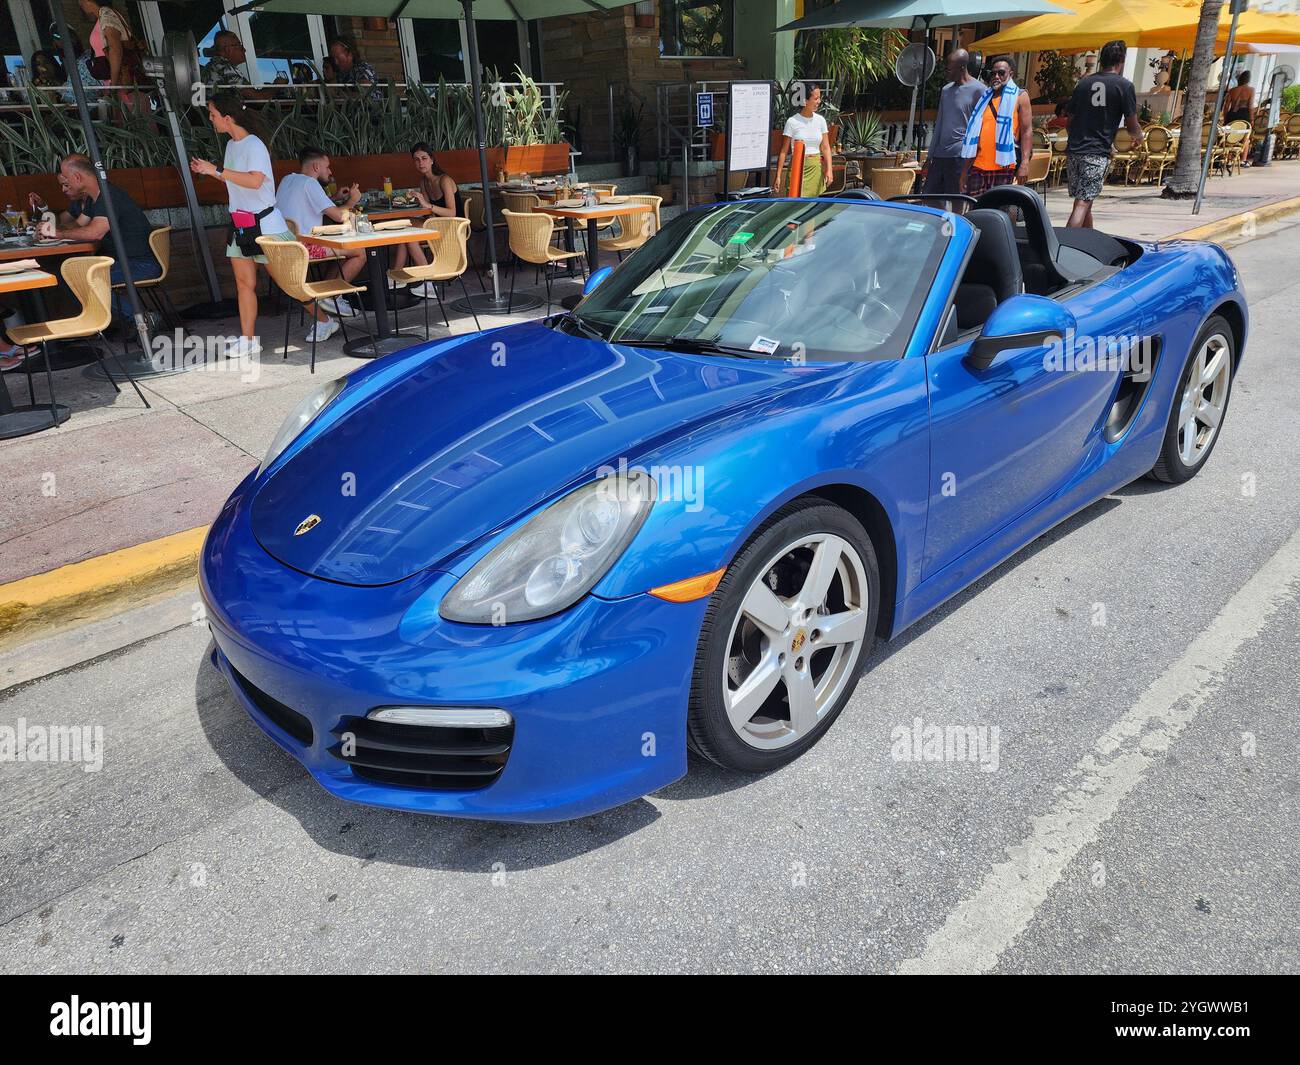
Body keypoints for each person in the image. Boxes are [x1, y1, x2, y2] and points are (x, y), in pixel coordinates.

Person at [188, 92, 318, 357]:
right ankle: (248, 340)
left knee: (289, 282)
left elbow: (255, 181)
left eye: (212, 114)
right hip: (241, 223)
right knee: (244, 283)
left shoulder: (254, 144)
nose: (210, 119)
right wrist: (210, 171)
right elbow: (235, 179)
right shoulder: (231, 146)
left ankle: (326, 320)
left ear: (227, 117)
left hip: (266, 223)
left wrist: (216, 171)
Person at [46, 154, 161, 326]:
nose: (65, 186)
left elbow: (95, 233)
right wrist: (51, 225)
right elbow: (78, 226)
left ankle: (141, 319)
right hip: (124, 261)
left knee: (77, 278)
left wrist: (58, 234)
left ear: (77, 177)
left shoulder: (108, 197)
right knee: (67, 272)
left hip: (141, 263)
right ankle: (98, 324)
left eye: (67, 180)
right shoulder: (96, 197)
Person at [276, 146, 365, 316]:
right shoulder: (310, 183)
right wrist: (352, 201)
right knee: (359, 252)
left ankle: (328, 296)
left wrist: (334, 199)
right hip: (303, 248)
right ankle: (331, 297)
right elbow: (339, 216)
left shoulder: (288, 179)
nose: (330, 171)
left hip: (284, 246)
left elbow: (309, 203)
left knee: (339, 252)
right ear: (316, 167)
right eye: (327, 166)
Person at [1064, 39, 1142, 229]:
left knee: (1085, 200)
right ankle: (1065, 246)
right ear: (1121, 61)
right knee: (1082, 203)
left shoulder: (1083, 84)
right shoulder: (1124, 86)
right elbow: (1132, 124)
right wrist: (1139, 136)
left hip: (1075, 150)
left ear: (1101, 59)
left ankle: (1090, 241)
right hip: (1097, 152)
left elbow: (1069, 121)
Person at [961, 54, 1034, 197]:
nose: (996, 76)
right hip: (978, 166)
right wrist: (964, 172)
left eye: (1001, 73)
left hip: (1004, 166)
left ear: (1010, 74)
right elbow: (975, 135)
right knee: (976, 212)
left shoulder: (1020, 96)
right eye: (993, 73)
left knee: (1002, 212)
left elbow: (1027, 131)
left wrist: (1025, 163)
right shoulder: (984, 98)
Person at [389, 143, 458, 286]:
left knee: (409, 233)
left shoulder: (444, 180)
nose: (421, 162)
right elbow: (427, 211)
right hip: (436, 222)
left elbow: (452, 212)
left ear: (432, 159)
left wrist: (428, 206)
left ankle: (427, 281)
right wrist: (415, 201)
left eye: (424, 158)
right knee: (404, 225)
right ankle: (397, 275)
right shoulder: (424, 182)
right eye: (416, 159)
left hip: (454, 226)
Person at [924, 49, 985, 196]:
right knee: (929, 197)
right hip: (940, 155)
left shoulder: (979, 90)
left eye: (949, 69)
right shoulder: (946, 90)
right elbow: (939, 124)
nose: (947, 72)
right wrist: (930, 156)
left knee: (957, 199)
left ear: (962, 68)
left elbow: (981, 125)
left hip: (960, 155)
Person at [77, 1, 141, 111]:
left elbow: (115, 49)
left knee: (127, 117)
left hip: (121, 83)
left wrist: (114, 84)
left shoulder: (107, 15)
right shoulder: (104, 16)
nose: (80, 6)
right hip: (116, 82)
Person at [774, 84, 833, 197]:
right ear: (805, 101)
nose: (819, 101)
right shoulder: (792, 122)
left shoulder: (820, 121)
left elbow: (825, 147)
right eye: (815, 98)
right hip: (797, 167)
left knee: (813, 206)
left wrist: (829, 169)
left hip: (815, 167)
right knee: (794, 204)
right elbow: (784, 151)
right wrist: (778, 175)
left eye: (819, 98)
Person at [327, 36, 381, 103]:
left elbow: (366, 95)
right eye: (333, 58)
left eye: (338, 58)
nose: (335, 62)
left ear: (350, 54)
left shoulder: (362, 69)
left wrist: (339, 94)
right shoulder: (342, 73)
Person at [1223, 70, 1255, 163]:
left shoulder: (1232, 90)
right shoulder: (1251, 90)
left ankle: (1228, 159)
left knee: (1229, 136)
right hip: (1244, 114)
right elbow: (1250, 106)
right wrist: (1252, 119)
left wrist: (1226, 117)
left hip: (1232, 114)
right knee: (1246, 137)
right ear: (1248, 80)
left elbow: (1226, 106)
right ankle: (1243, 160)